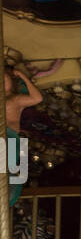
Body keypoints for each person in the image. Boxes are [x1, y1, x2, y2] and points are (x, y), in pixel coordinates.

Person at [2, 63, 42, 206]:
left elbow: (37, 98)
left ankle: (9, 196)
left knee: (9, 170)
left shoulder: (16, 99)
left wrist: (22, 76)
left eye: (4, 79)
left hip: (10, 138)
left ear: (11, 83)